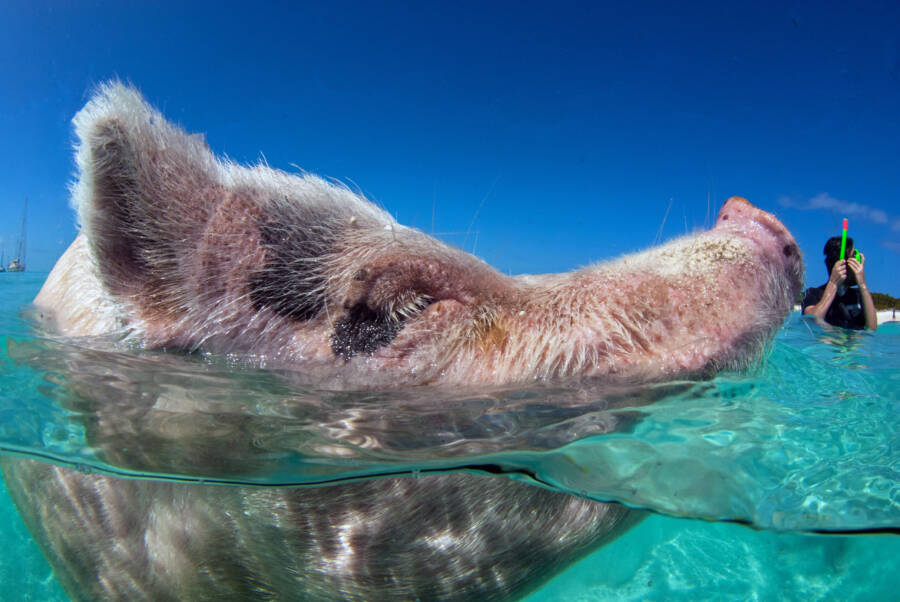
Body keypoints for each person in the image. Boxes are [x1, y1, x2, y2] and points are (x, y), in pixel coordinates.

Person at [802, 236, 877, 330]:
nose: (860, 261)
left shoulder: (858, 295)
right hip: (826, 343)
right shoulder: (813, 294)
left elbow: (872, 328)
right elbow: (812, 322)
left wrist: (863, 285)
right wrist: (833, 283)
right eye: (854, 255)